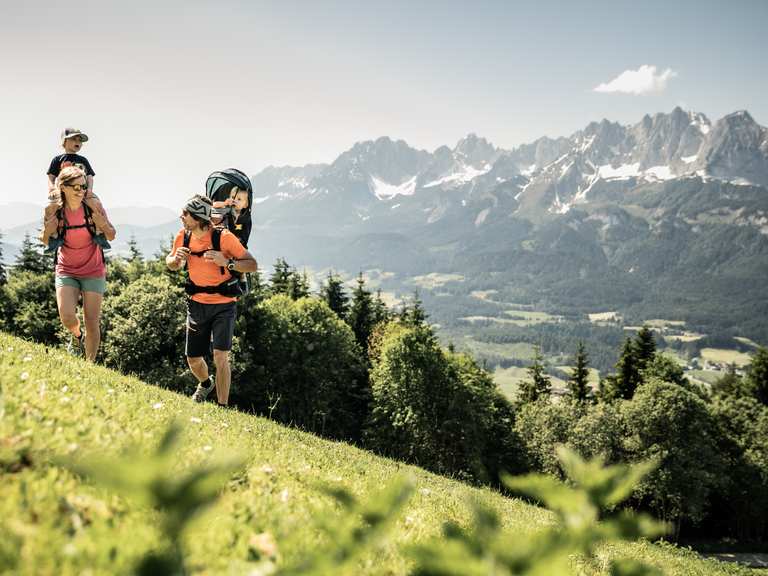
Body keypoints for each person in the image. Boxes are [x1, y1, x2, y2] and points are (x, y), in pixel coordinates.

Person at [166, 195, 257, 406]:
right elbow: (170, 262)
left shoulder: (224, 238)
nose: (181, 216)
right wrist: (176, 259)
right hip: (196, 303)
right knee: (194, 359)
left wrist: (228, 262)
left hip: (224, 304)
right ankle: (206, 383)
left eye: (186, 213)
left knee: (220, 356)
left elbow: (251, 264)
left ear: (198, 217)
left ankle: (222, 406)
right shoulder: (183, 236)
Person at [40, 166, 116, 361]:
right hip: (66, 269)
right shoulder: (52, 209)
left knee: (91, 321)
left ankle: (89, 364)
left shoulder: (93, 206)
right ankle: (77, 336)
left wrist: (102, 223)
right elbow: (45, 240)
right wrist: (47, 231)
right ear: (63, 187)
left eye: (83, 186)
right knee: (66, 316)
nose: (81, 191)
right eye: (76, 187)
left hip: (93, 270)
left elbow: (111, 235)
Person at [45, 128, 106, 247]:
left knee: (96, 204)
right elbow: (51, 177)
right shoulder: (57, 159)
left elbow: (90, 177)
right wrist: (52, 188)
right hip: (63, 193)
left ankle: (98, 232)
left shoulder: (83, 160)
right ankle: (54, 236)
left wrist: (89, 190)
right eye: (74, 139)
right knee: (49, 208)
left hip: (82, 192)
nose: (78, 142)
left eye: (80, 140)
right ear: (64, 142)